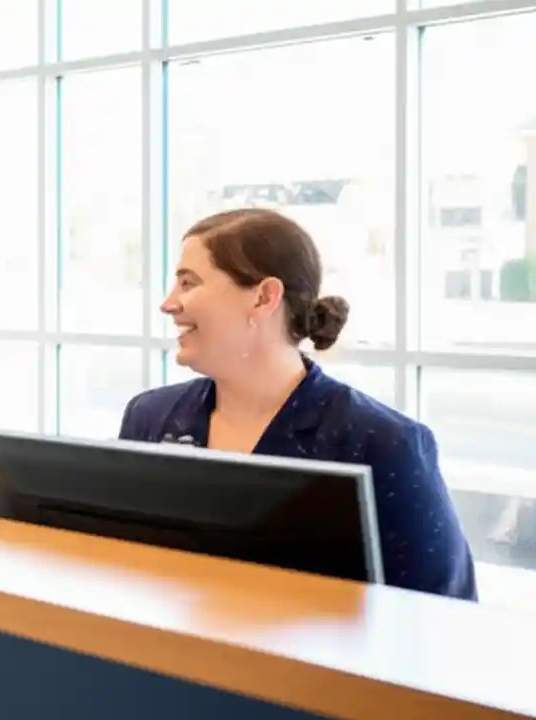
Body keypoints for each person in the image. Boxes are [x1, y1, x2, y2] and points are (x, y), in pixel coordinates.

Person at [119, 208, 476, 600]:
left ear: (264, 297)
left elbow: (441, 616)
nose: (169, 304)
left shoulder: (383, 443)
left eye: (189, 283)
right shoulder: (149, 418)